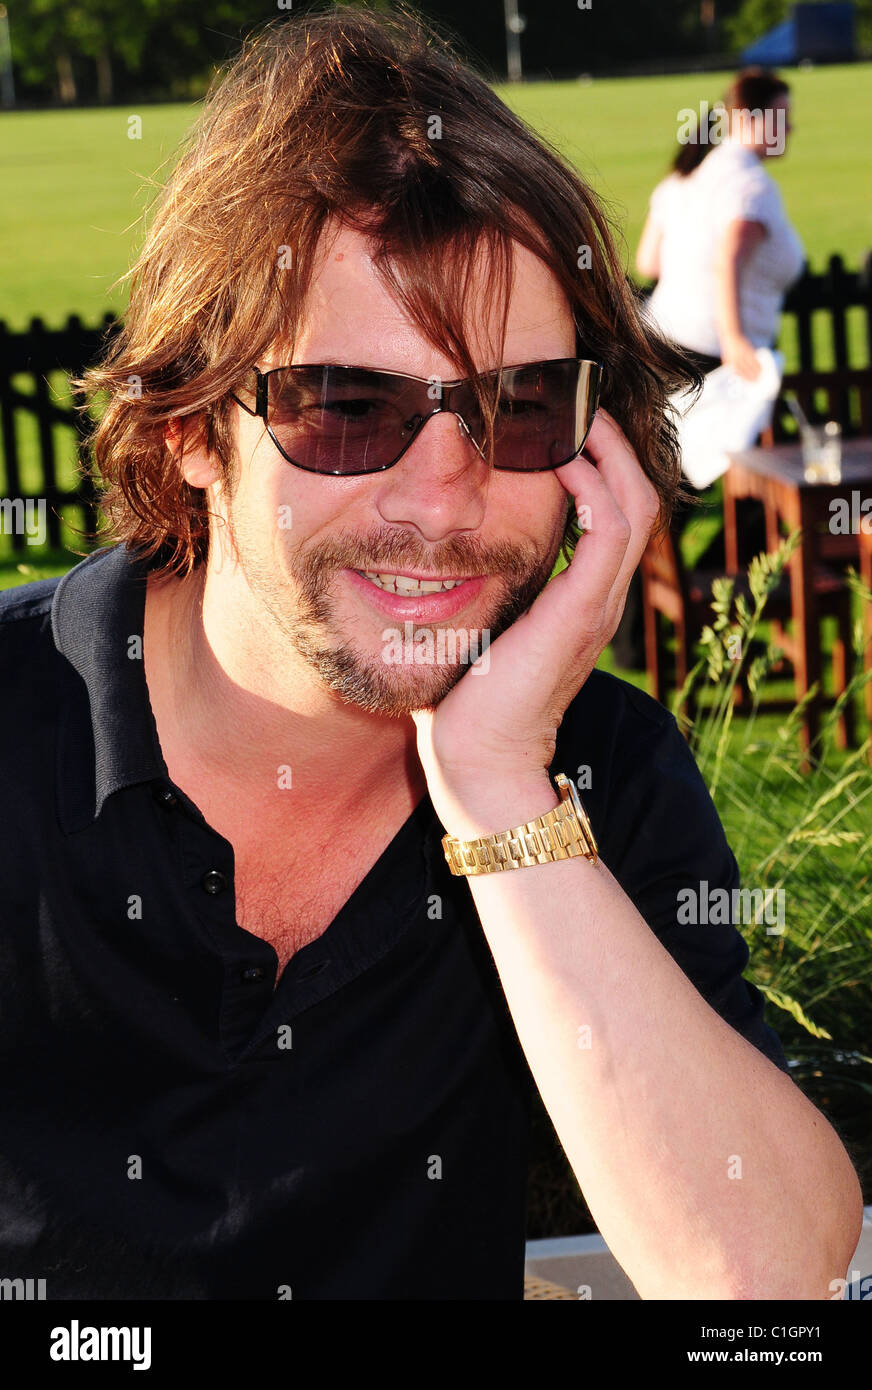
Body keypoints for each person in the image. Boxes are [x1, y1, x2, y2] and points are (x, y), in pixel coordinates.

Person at [0, 8, 860, 1301]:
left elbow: (770, 1278)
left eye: (519, 407)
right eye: (349, 407)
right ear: (186, 425)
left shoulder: (591, 771)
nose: (447, 499)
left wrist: (503, 794)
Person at [630, 68, 806, 592]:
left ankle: (652, 626)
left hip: (666, 337)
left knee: (663, 489)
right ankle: (711, 588)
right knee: (776, 477)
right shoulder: (749, 183)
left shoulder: (696, 174)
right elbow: (729, 255)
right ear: (752, 119)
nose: (791, 130)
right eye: (784, 118)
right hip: (715, 355)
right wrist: (735, 339)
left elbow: (650, 260)